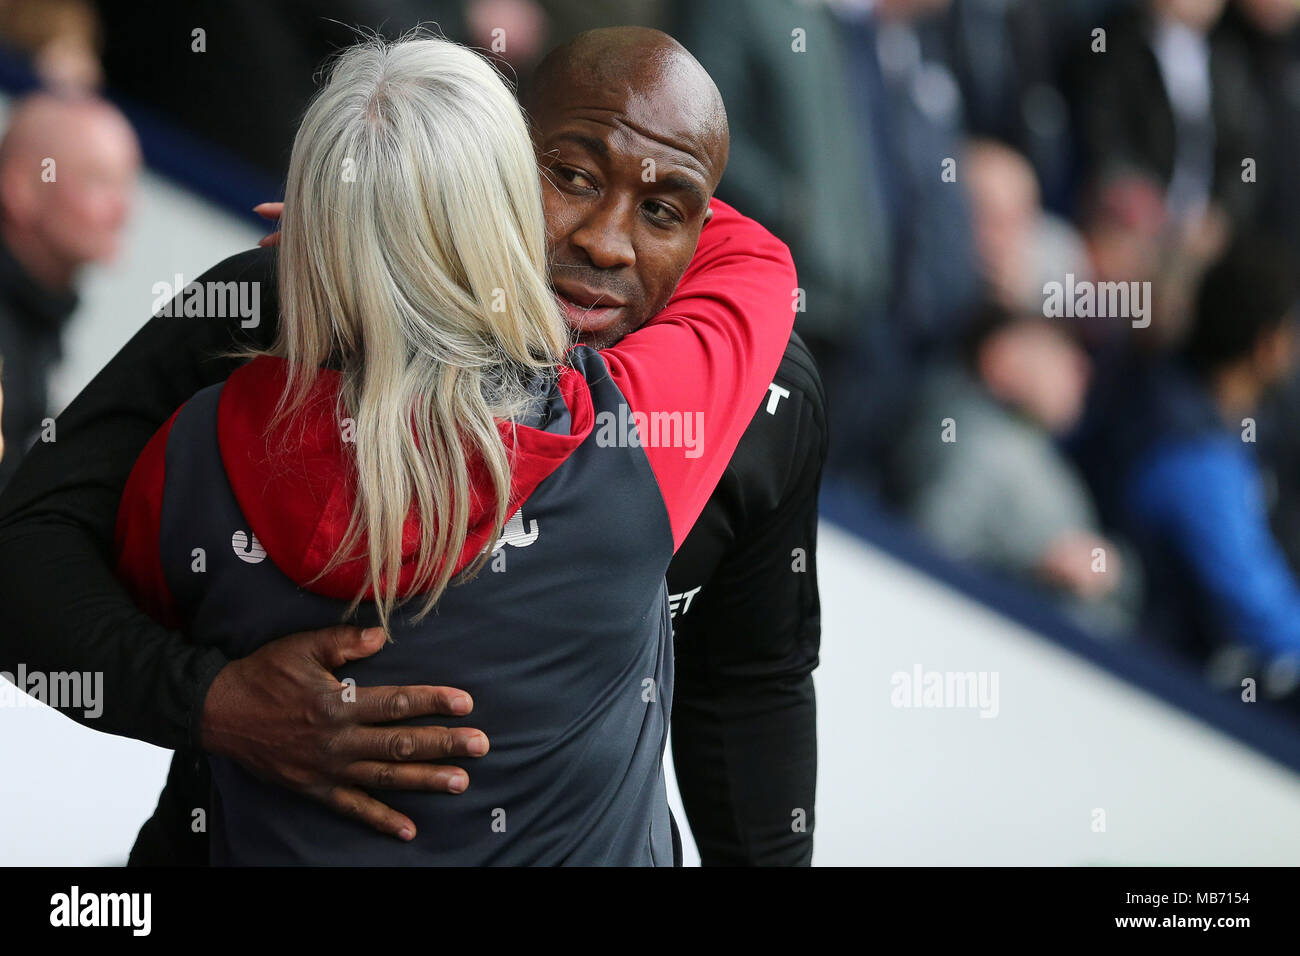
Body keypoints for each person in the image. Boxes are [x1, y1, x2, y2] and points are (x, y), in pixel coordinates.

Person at [0, 27, 821, 865]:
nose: (606, 243)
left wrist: (378, 218)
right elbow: (24, 562)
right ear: (490, 165)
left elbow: (752, 685)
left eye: (660, 210)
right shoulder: (279, 305)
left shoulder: (768, 398)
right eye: (569, 177)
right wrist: (211, 701)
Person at [1111, 238, 1300, 679]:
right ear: (1267, 346)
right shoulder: (1196, 459)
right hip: (1148, 678)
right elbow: (1263, 616)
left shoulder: (1184, 397)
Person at [891, 304, 1137, 634]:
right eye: (1058, 350)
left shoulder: (1041, 452)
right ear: (1002, 359)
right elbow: (925, 559)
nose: (1082, 368)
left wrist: (1111, 567)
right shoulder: (973, 444)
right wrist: (1035, 573)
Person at [0, 91, 139, 489]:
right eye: (99, 181)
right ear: (21, 188)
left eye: (127, 184)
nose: (123, 210)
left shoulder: (39, 312)